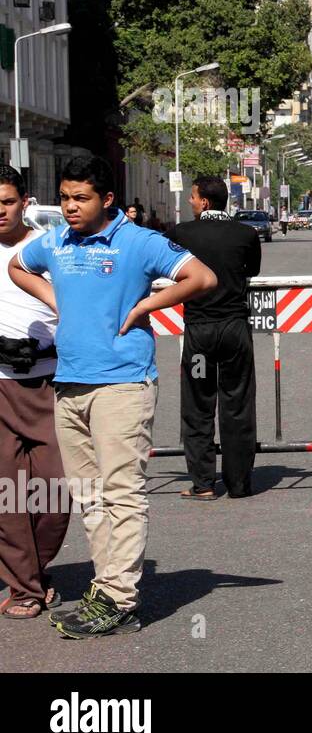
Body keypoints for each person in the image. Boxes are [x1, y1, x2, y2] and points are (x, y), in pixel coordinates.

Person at [8, 155, 216, 638]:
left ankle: (121, 599)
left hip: (122, 384)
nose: (70, 207)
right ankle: (107, 589)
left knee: (121, 493)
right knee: (89, 495)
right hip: (70, 384)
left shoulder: (138, 242)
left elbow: (201, 278)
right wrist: (54, 298)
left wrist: (147, 302)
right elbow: (19, 265)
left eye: (80, 199)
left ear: (107, 200)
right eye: (63, 198)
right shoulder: (55, 240)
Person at [166, 176, 262, 499]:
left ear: (204, 202)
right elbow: (253, 270)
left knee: (198, 405)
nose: (189, 202)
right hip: (234, 330)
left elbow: (167, 268)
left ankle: (203, 484)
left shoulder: (181, 235)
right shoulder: (246, 234)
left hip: (199, 334)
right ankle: (239, 483)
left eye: (192, 197)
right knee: (237, 404)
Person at [0, 165, 68, 620]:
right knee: (7, 494)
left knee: (57, 491)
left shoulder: (51, 249)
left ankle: (33, 570)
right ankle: (24, 588)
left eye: (5, 202)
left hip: (51, 381)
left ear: (25, 202)